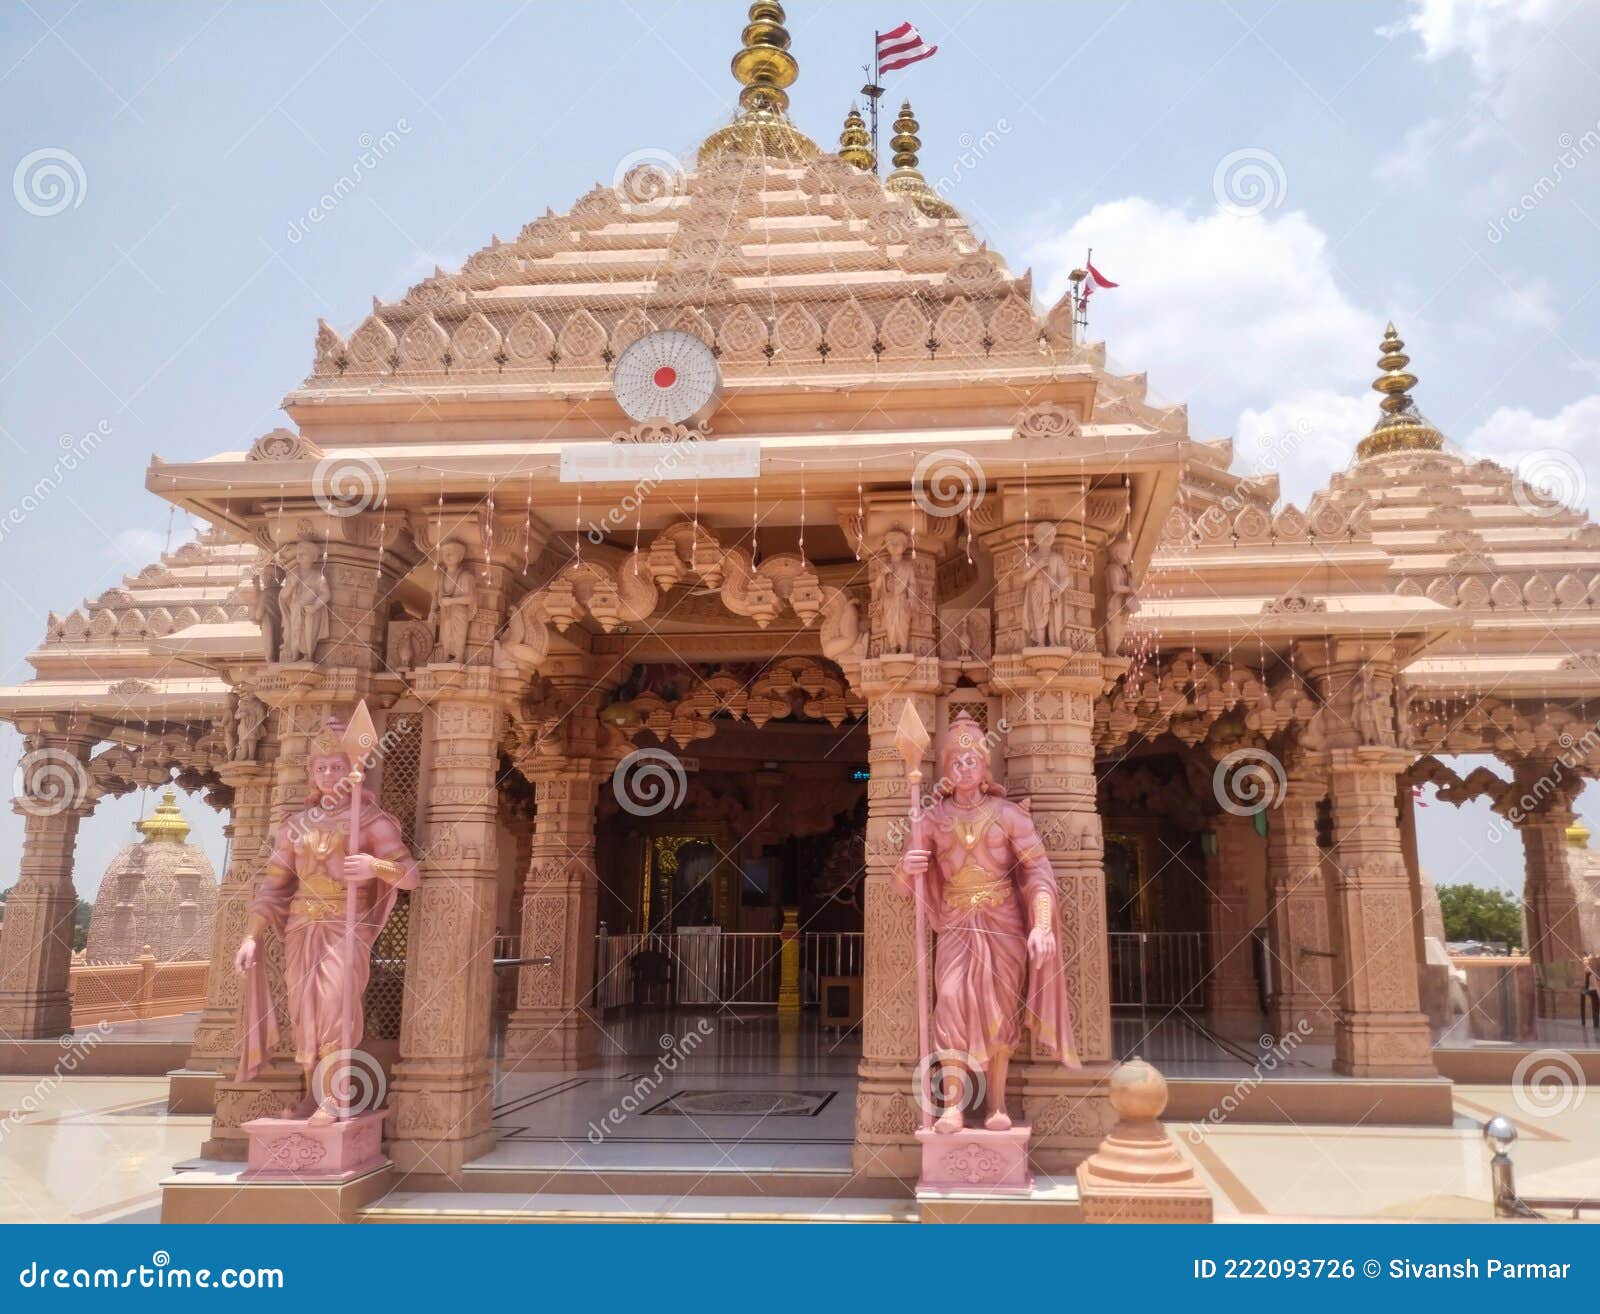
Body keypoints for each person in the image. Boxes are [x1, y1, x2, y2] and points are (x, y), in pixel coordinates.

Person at [894, 712, 1078, 1133]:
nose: (964, 767)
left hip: (1003, 922)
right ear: (946, 768)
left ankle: (996, 1104)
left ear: (985, 767)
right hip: (956, 923)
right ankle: (952, 1107)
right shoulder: (930, 819)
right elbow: (902, 888)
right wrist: (907, 865)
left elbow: (1038, 874)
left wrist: (1042, 925)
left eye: (972, 760)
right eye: (956, 761)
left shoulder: (1010, 815)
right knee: (950, 1004)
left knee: (1001, 1011)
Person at [234, 718, 419, 1123]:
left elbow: (410, 876)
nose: (328, 775)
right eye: (321, 768)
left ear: (353, 770)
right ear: (311, 773)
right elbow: (273, 887)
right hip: (301, 927)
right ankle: (311, 1095)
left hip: (345, 926)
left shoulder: (372, 822)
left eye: (337, 767)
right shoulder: (294, 827)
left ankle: (335, 1097)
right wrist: (250, 936)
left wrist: (373, 866)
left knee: (336, 1008)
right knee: (305, 1015)